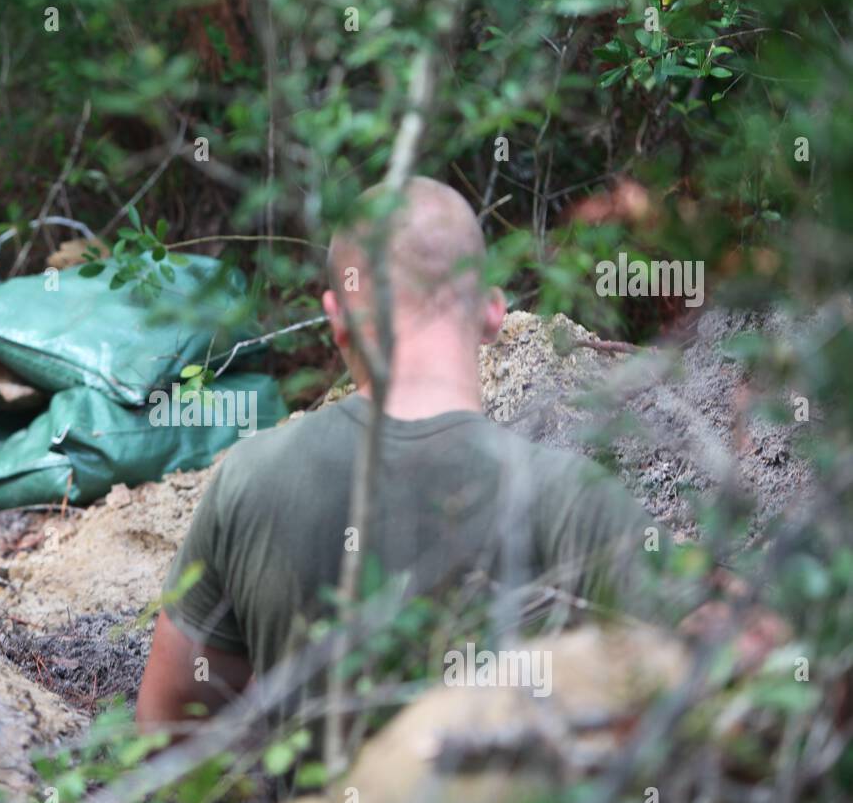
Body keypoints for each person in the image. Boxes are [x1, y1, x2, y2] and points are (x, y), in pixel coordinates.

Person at [135, 177, 670, 742]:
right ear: (492, 311)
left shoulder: (248, 479)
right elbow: (715, 690)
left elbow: (168, 727)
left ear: (337, 318)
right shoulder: (576, 499)